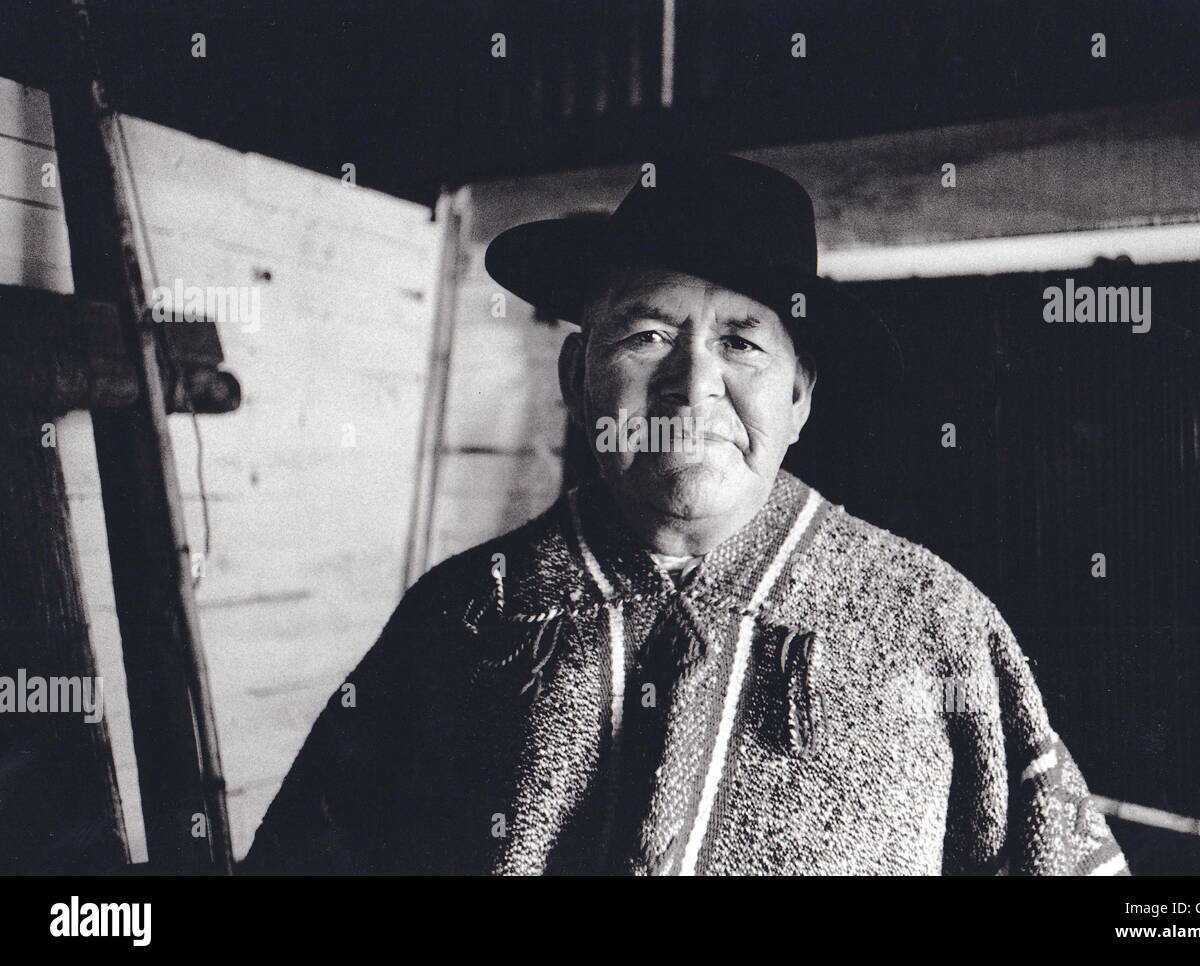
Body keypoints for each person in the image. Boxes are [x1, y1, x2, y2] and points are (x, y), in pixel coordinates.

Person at [243, 153, 1128, 875]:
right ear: (577, 378)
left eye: (741, 342)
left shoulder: (937, 624)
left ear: (798, 400)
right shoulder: (463, 616)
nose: (692, 384)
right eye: (648, 336)